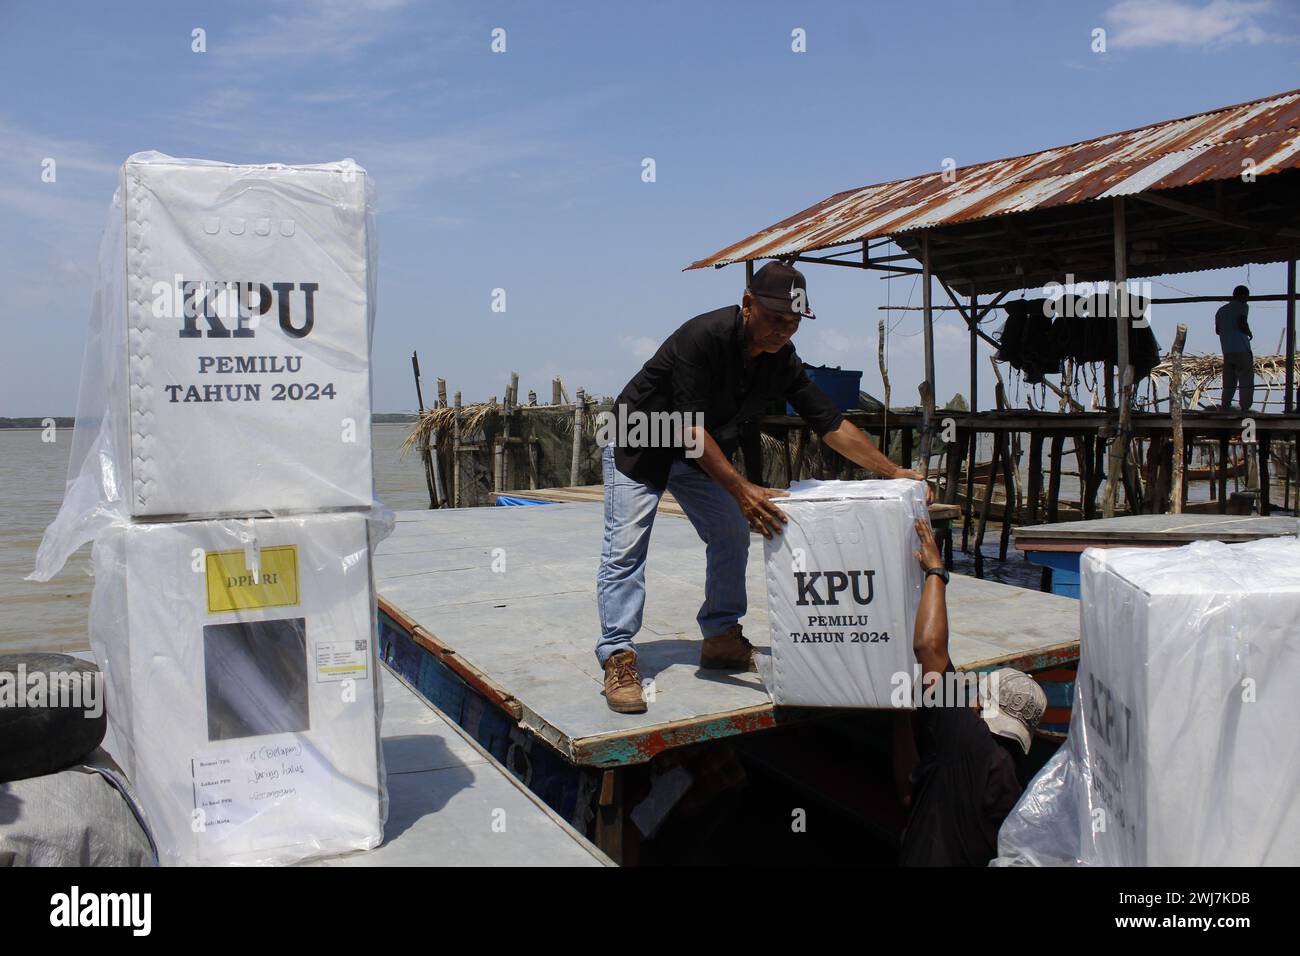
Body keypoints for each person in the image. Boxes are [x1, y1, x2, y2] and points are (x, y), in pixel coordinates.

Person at [597, 260, 932, 713]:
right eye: (776, 320)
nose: (783, 332)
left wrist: (892, 471)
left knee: (731, 533)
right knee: (626, 548)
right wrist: (743, 489)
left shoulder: (782, 360)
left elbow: (829, 423)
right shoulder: (704, 337)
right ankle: (618, 653)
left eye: (793, 324)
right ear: (748, 304)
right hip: (642, 440)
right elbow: (691, 430)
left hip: (696, 449)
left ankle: (720, 636)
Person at [896, 519, 1046, 866]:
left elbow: (929, 648)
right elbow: (910, 796)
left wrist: (936, 572)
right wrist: (903, 718)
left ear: (980, 705)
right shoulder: (1017, 779)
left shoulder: (965, 739)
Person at [1215, 285, 1254, 412]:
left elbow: (1217, 330)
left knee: (1229, 381)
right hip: (1241, 348)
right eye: (1246, 296)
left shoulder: (1221, 310)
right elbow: (1242, 322)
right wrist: (1249, 333)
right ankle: (1245, 407)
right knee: (1246, 379)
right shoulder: (1242, 306)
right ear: (1243, 295)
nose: (1247, 299)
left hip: (1227, 350)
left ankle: (1225, 406)